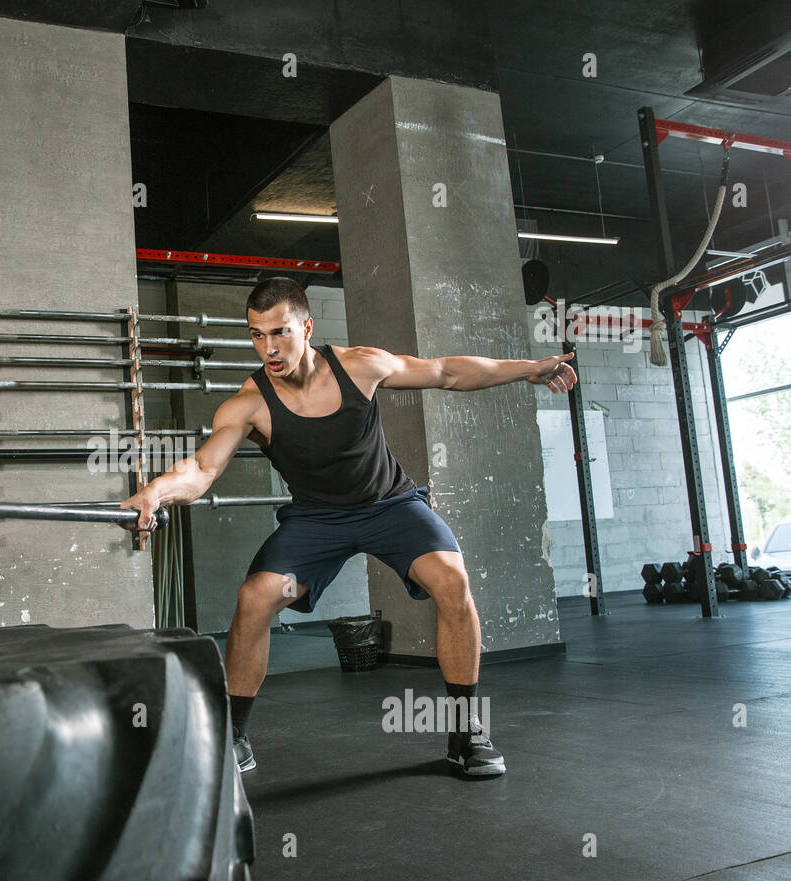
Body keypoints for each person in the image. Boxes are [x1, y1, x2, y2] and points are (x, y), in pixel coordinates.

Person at [120, 276, 576, 777]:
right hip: (317, 521)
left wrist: (530, 368)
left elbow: (446, 371)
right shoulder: (249, 404)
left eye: (280, 332)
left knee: (452, 581)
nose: (269, 348)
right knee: (255, 598)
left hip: (390, 507)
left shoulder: (359, 366)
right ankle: (235, 735)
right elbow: (203, 469)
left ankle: (466, 731)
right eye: (256, 335)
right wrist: (157, 491)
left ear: (306, 327)